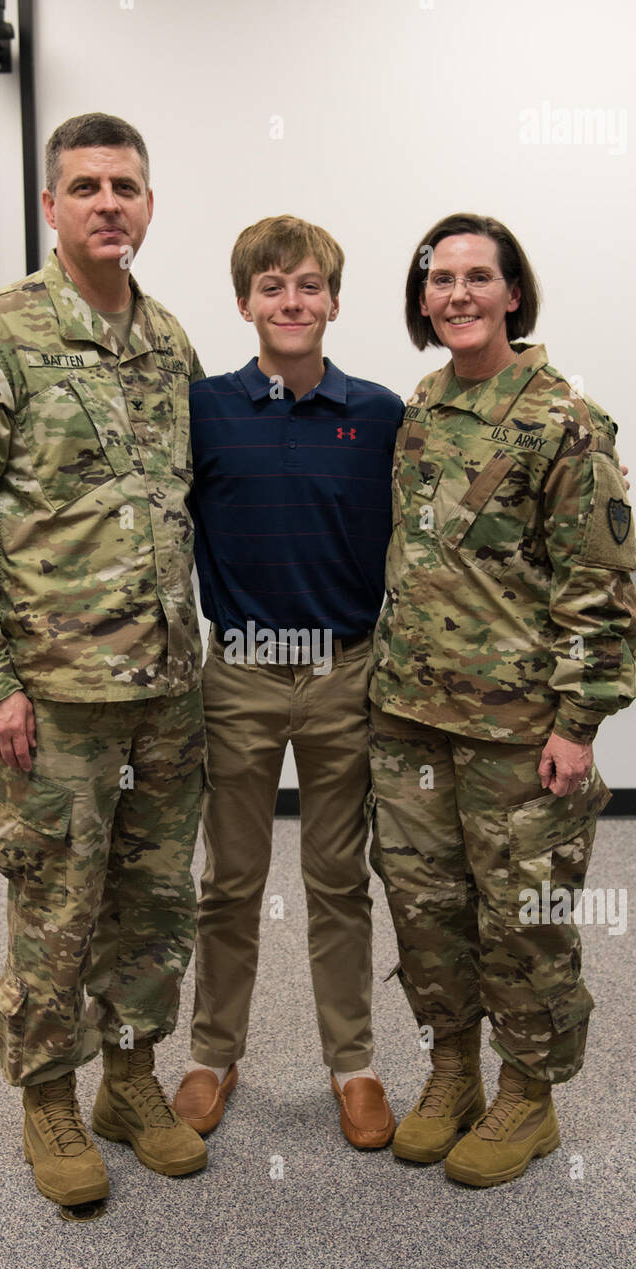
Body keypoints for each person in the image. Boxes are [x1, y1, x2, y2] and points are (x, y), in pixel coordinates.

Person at [0, 112, 208, 1211]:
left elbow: (186, 505)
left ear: (149, 203)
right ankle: (46, 1094)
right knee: (56, 903)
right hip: (55, 695)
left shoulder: (168, 341)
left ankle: (130, 1076)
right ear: (50, 207)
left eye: (126, 183)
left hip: (168, 691)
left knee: (155, 903)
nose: (108, 202)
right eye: (86, 186)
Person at [368, 213, 636, 1186]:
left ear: (511, 292)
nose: (456, 295)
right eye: (439, 280)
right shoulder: (421, 409)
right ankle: (453, 1070)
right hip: (407, 716)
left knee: (522, 913)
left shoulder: (563, 418)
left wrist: (578, 721)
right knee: (427, 908)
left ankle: (527, 1093)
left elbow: (596, 585)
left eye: (476, 277)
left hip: (517, 729)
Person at [171, 216, 404, 1147]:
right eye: (272, 288)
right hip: (239, 680)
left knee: (340, 881)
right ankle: (210, 1056)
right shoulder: (203, 410)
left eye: (309, 286)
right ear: (244, 303)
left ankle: (353, 1066)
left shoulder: (383, 414)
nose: (292, 302)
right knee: (230, 882)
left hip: (346, 674)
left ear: (335, 302)